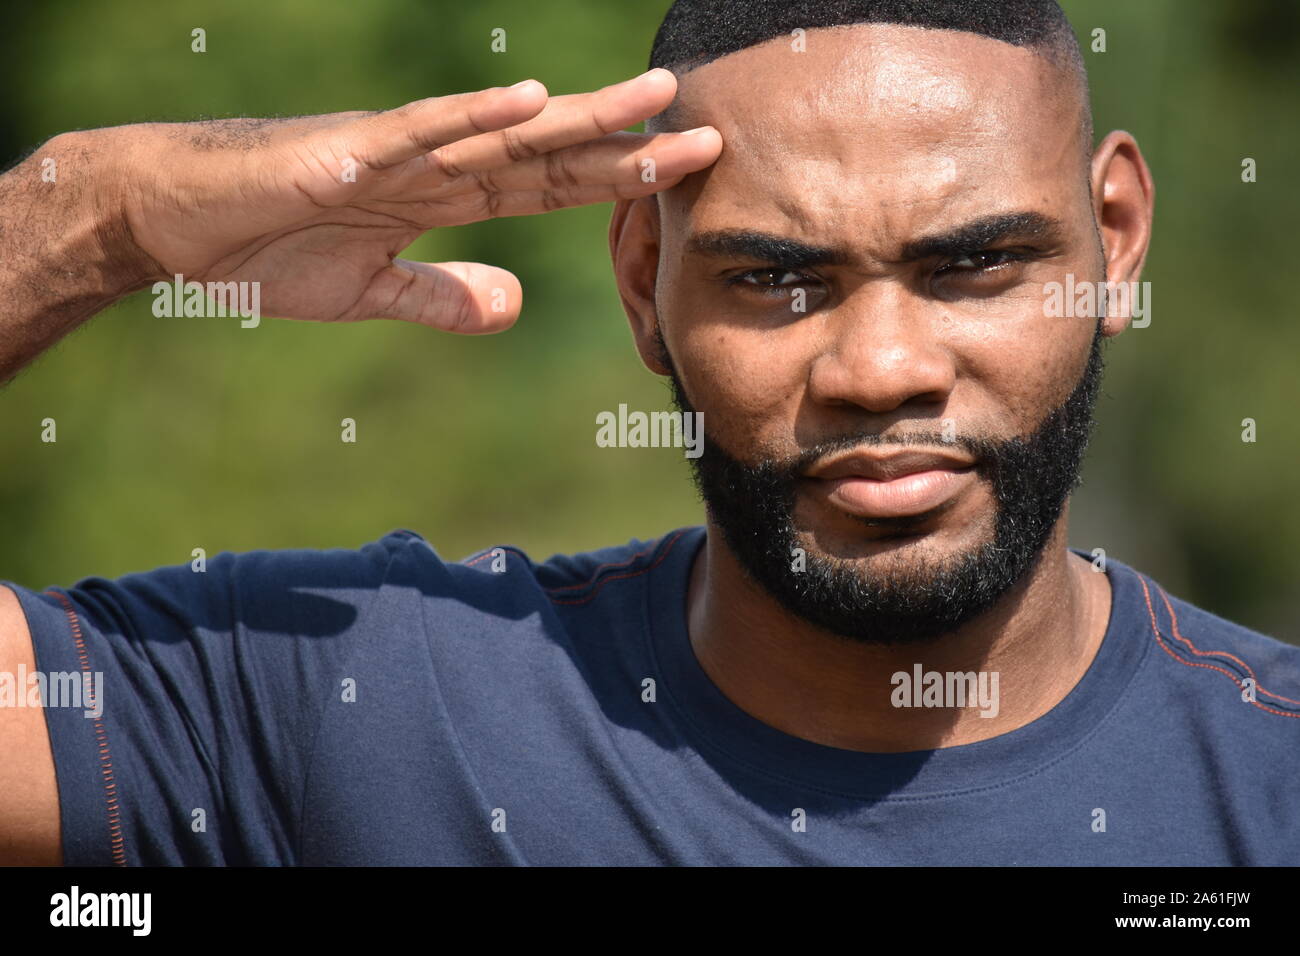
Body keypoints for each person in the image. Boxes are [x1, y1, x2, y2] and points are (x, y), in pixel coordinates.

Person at [1, 0, 1296, 866]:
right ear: (642, 285)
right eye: (774, 280)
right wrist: (93, 221)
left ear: (1114, 242)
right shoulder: (375, 707)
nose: (882, 368)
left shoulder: (1269, 780)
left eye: (976, 267)